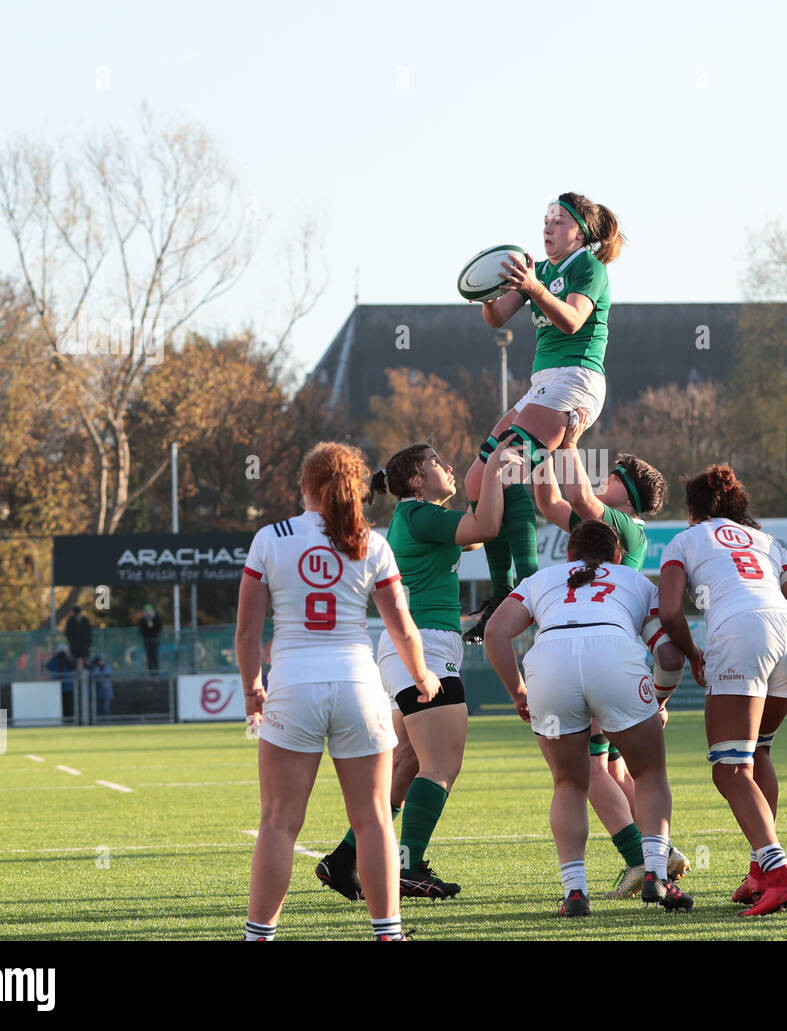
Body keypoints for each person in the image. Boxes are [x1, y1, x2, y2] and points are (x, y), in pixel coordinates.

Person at [236, 441, 441, 942]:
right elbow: (403, 629)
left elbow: (246, 632)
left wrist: (251, 691)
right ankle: (388, 933)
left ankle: (259, 935)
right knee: (373, 819)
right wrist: (422, 677)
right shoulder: (371, 542)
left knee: (279, 823)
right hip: (359, 688)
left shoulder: (271, 538)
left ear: (305, 484)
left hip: (292, 689)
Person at [315, 441, 520, 902]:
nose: (447, 467)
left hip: (409, 648)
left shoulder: (417, 518)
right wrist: (492, 469)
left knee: (407, 762)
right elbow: (486, 524)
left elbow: (478, 532)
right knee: (442, 764)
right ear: (414, 481)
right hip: (423, 648)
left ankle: (343, 860)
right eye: (436, 464)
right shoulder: (418, 513)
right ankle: (406, 866)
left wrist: (492, 480)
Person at [484, 519, 692, 916]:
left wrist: (518, 692)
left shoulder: (543, 579)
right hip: (614, 657)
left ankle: (575, 892)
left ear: (568, 555)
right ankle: (654, 873)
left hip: (550, 663)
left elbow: (496, 632)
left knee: (569, 783)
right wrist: (658, 702)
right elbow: (669, 657)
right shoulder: (633, 579)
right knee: (648, 773)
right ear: (617, 556)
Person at [531, 428, 690, 897]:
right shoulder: (603, 530)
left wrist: (567, 438)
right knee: (617, 772)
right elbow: (549, 501)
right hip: (615, 660)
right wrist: (542, 454)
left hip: (598, 656)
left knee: (589, 767)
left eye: (615, 476)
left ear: (630, 495)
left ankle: (641, 861)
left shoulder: (625, 525)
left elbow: (576, 493)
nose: (605, 479)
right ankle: (660, 853)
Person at [461, 192, 624, 642]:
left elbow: (572, 321)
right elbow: (497, 318)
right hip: (542, 384)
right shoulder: (543, 270)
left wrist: (532, 288)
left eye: (558, 221)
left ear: (581, 232)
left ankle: (524, 585)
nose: (548, 228)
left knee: (504, 470)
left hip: (576, 379)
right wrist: (490, 288)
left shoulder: (588, 268)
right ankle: (501, 592)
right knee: (477, 483)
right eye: (545, 221)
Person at [658, 464, 787, 917]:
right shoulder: (767, 542)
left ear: (692, 511)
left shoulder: (685, 540)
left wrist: (693, 653)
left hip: (742, 633)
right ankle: (760, 873)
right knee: (758, 752)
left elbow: (669, 612)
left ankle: (780, 878)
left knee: (729, 768)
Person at [44, 645, 75, 719]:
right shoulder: (55, 660)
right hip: (56, 687)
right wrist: (56, 657)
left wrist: (66, 657)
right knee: (57, 705)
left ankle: (69, 720)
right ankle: (59, 719)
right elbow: (48, 666)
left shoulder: (69, 660)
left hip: (68, 687)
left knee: (68, 705)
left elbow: (73, 666)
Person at [89, 654, 114, 718]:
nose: (99, 662)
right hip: (97, 691)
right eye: (98, 661)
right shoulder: (95, 668)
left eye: (100, 660)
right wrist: (98, 670)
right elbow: (93, 675)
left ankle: (106, 721)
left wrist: (101, 671)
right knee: (98, 708)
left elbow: (108, 674)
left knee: (106, 708)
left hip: (106, 690)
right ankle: (99, 721)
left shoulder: (107, 667)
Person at [137, 605, 163, 671]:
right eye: (147, 611)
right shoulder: (143, 620)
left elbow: (159, 628)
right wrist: (147, 626)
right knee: (149, 657)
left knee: (155, 657)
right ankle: (150, 673)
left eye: (149, 611)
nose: (148, 612)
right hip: (147, 640)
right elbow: (141, 630)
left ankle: (157, 673)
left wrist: (153, 626)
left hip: (155, 640)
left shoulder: (156, 619)